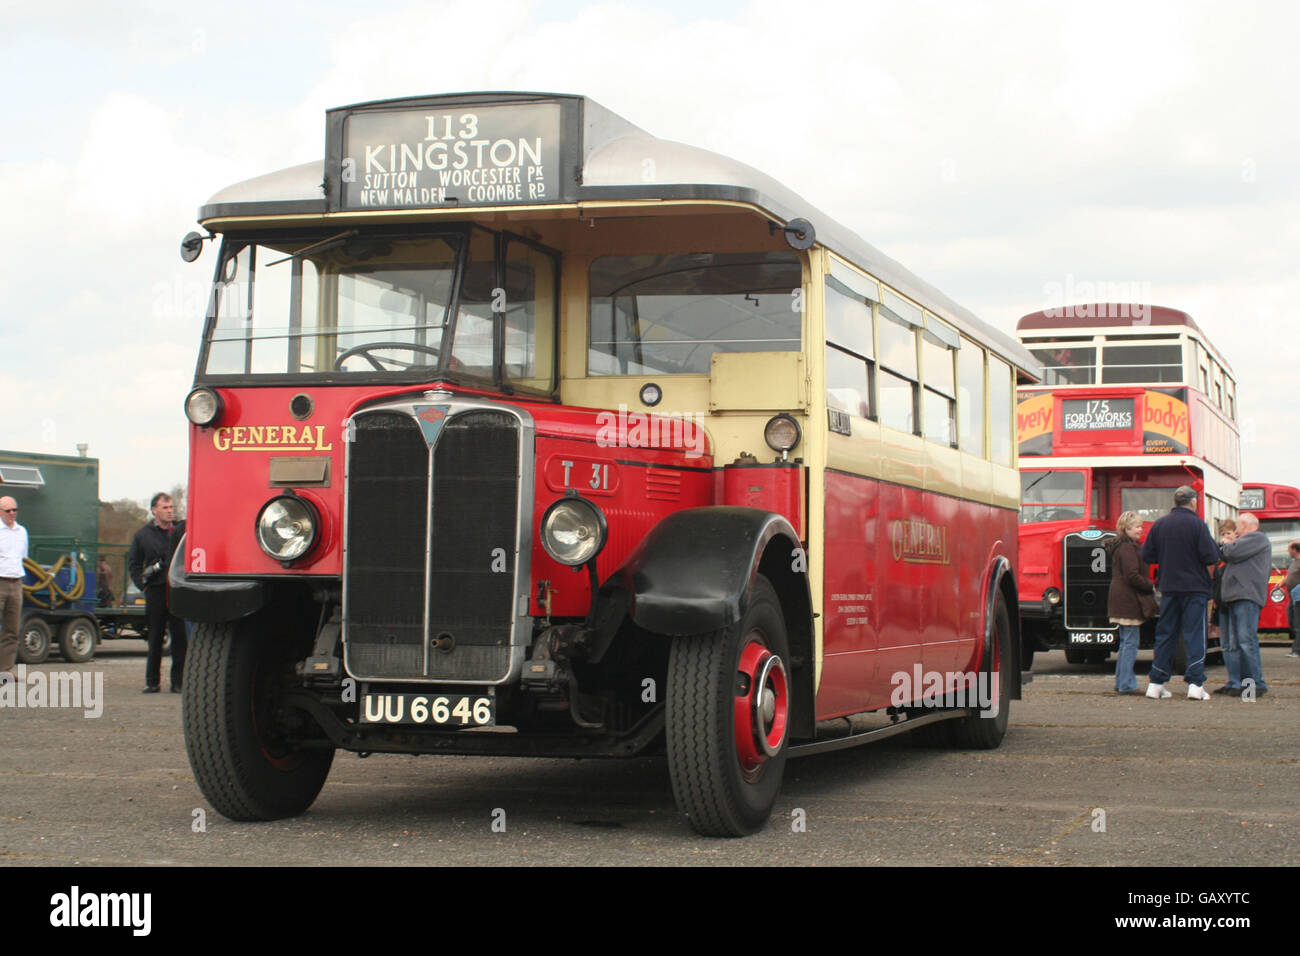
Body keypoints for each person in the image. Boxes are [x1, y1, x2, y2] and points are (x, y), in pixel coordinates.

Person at [1139, 485, 1220, 700]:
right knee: (1195, 635)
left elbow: (1147, 555)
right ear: (1193, 502)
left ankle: (1156, 683)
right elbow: (1211, 556)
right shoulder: (1198, 525)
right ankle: (1195, 684)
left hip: (1169, 587)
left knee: (1165, 634)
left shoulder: (1160, 524)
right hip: (1195, 589)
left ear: (1174, 502)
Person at [128, 493, 187, 693]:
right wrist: (143, 586)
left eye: (171, 507)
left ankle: (178, 682)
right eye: (165, 507)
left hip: (177, 589)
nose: (169, 511)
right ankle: (152, 681)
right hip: (155, 591)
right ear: (154, 510)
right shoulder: (142, 535)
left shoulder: (181, 530)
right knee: (155, 637)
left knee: (180, 638)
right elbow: (134, 564)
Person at [1217, 513, 1272, 697]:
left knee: (1246, 641)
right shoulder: (1250, 540)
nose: (1236, 531)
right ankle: (1242, 684)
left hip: (1246, 597)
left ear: (1246, 525)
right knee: (1237, 643)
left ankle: (1256, 683)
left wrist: (1226, 544)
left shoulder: (1256, 538)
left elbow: (1230, 553)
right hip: (1236, 597)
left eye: (1238, 527)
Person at [1106, 511, 1158, 694]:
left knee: (1125, 643)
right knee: (1130, 644)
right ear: (1126, 528)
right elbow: (1132, 575)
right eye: (1137, 526)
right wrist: (1150, 585)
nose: (1140, 530)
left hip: (1120, 600)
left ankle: (1122, 682)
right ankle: (1127, 684)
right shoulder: (1128, 548)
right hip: (1127, 601)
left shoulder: (1121, 546)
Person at [0, 496, 28, 684]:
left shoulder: (22, 532)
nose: (12, 514)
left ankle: (5, 670)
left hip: (16, 582)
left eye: (14, 510)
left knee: (12, 629)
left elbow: (22, 557)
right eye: (8, 510)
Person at [1284, 540, 1300, 657]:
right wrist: (1282, 582)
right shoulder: (1295, 562)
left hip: (1298, 597)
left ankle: (1296, 650)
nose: (1288, 552)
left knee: (1298, 623)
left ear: (1295, 550)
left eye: (1289, 549)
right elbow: (1290, 576)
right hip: (1293, 597)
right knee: (1292, 621)